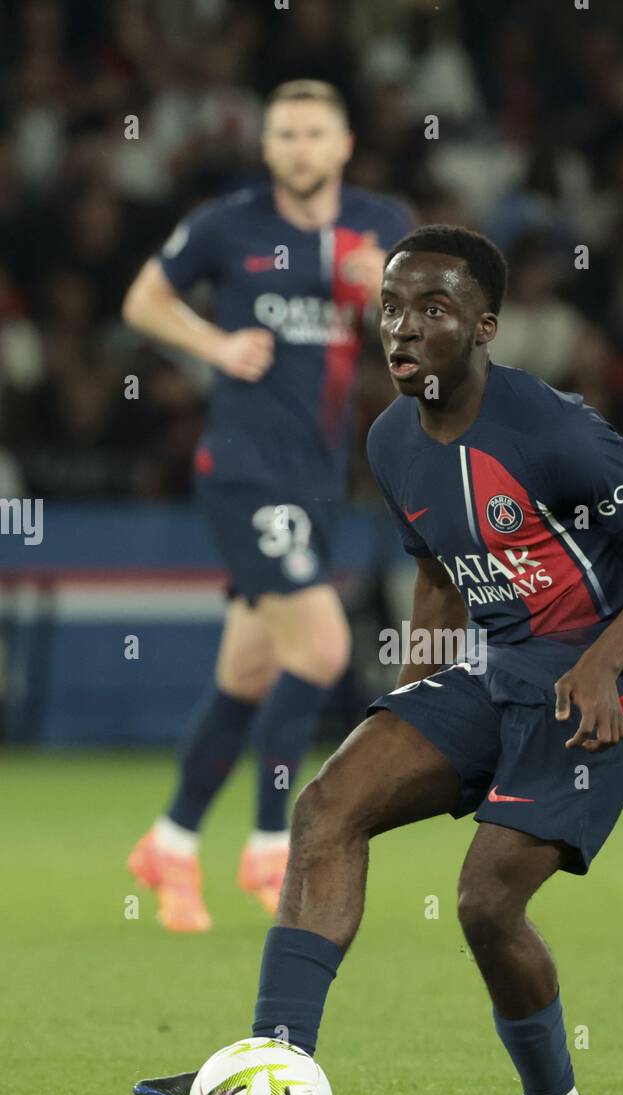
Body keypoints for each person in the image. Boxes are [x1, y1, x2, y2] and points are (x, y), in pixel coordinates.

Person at [132, 225, 623, 1095]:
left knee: (486, 898)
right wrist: (412, 704)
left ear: (484, 327)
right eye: (391, 307)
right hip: (497, 670)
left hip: (602, 684)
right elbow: (440, 575)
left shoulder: (552, 429)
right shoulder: (392, 438)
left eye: (432, 311)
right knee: (327, 806)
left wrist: (606, 663)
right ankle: (267, 1071)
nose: (402, 328)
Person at [123, 80, 413, 932]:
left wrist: (387, 293)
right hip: (244, 470)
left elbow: (438, 328)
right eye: (284, 132)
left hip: (321, 475)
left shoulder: (381, 225)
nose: (298, 146)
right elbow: (144, 298)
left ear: (344, 144)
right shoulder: (230, 222)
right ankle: (267, 845)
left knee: (246, 674)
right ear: (267, 145)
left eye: (314, 132)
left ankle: (170, 843)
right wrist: (213, 344)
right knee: (323, 646)